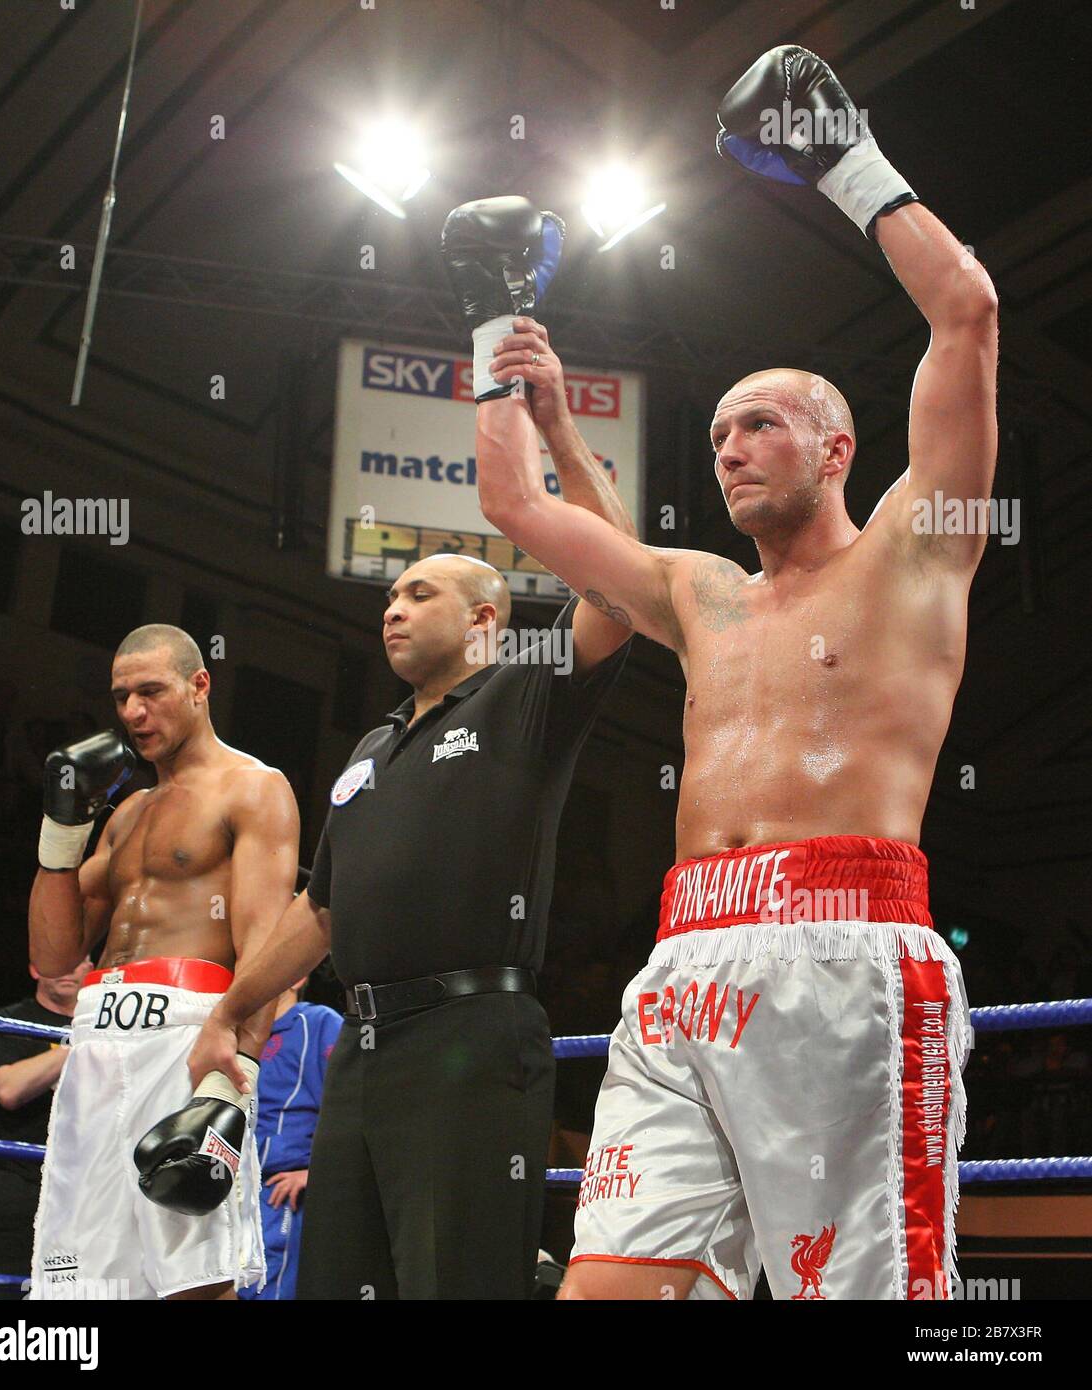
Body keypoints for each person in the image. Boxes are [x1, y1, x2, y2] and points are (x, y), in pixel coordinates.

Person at [465, 47, 997, 1300]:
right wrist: (494, 328)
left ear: (836, 442)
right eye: (714, 434)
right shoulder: (702, 593)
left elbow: (965, 310)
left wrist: (838, 157)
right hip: (683, 954)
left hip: (845, 949)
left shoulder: (917, 550)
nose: (729, 448)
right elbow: (513, 502)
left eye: (758, 422)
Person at [189, 217, 635, 1297]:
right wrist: (232, 1005)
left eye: (419, 590)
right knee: (337, 1284)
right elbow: (323, 909)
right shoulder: (372, 746)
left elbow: (621, 583)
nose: (392, 609)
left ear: (487, 617)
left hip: (473, 1039)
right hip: (363, 1051)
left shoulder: (526, 689)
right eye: (388, 595)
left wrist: (561, 438)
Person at [27, 624, 300, 1301]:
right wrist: (62, 827)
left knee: (192, 1281)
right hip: (97, 1040)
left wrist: (232, 1081)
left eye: (151, 692)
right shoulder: (125, 814)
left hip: (189, 1040)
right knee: (81, 1285)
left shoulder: (254, 788)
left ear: (199, 686)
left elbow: (264, 942)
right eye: (121, 697)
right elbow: (53, 955)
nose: (132, 713)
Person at [0, 960, 90, 1301]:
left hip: (85, 1185)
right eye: (57, 960)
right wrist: (78, 1042)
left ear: (91, 967)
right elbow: (9, 1090)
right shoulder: (11, 1020)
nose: (67, 969)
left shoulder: (108, 1029)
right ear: (34, 969)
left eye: (76, 961)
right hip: (19, 1179)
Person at [238, 976, 342, 1301]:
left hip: (279, 1194)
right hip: (225, 1193)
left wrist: (315, 1173)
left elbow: (360, 1107)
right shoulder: (226, 1032)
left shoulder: (320, 1023)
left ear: (298, 977)